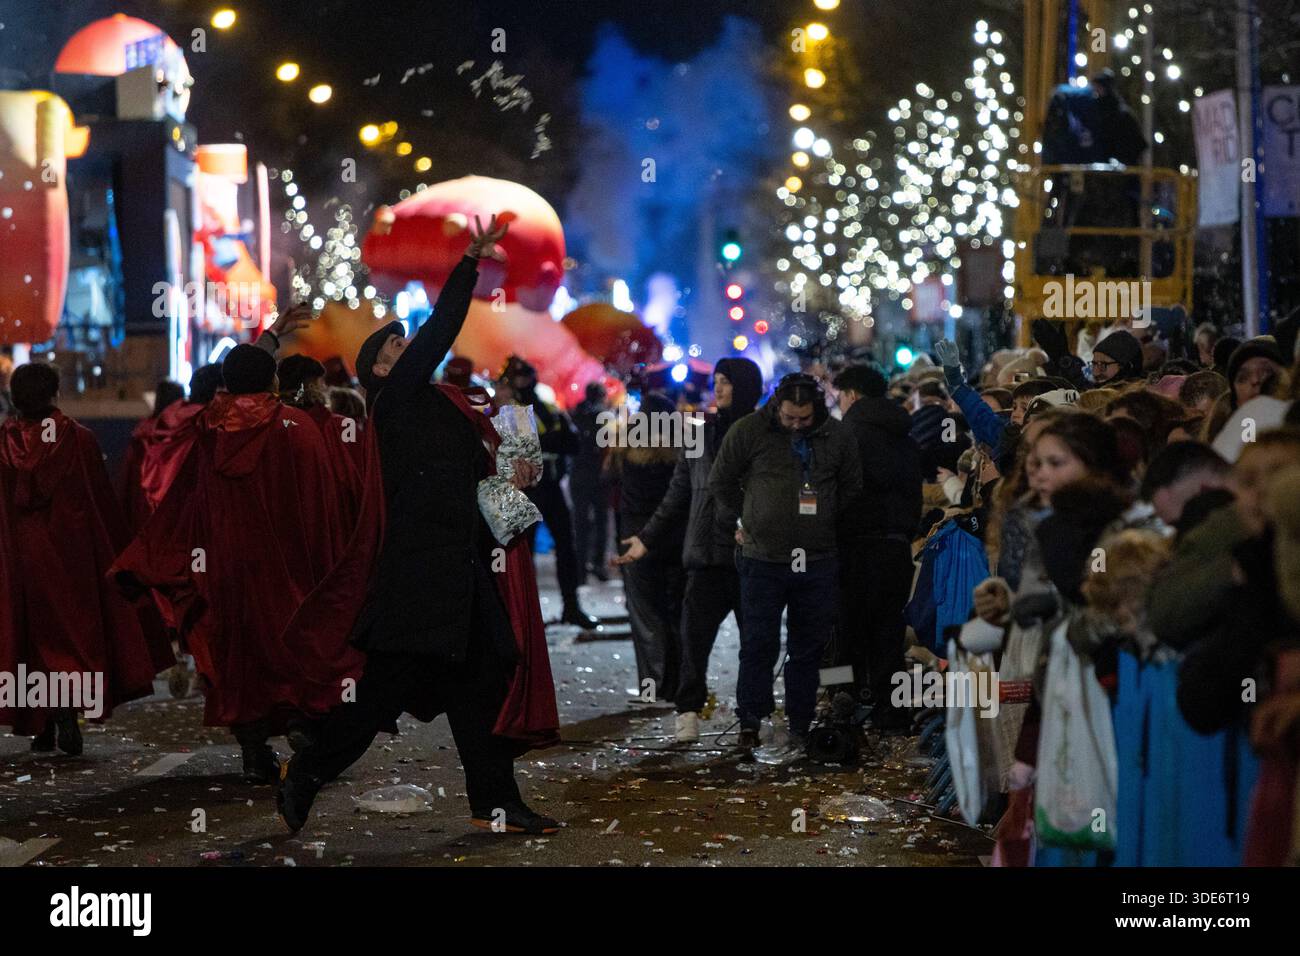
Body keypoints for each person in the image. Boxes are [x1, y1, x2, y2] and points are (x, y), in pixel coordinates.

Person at [278, 215, 559, 836]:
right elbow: (440, 330)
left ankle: (497, 802)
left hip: (462, 567)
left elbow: (475, 469)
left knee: (482, 684)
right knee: (380, 696)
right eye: (396, 349)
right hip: (418, 576)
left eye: (406, 345)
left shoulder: (441, 403)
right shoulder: (395, 399)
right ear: (379, 370)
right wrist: (467, 267)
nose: (410, 351)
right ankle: (309, 770)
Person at [0, 363, 172, 754]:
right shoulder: (78, 440)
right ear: (54, 394)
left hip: (19, 558)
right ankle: (65, 711)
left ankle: (41, 720)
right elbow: (98, 505)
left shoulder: (3, 445)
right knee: (70, 637)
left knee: (28, 636)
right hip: (69, 557)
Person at [709, 372, 862, 751]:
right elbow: (721, 481)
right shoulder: (748, 431)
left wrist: (823, 517)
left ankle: (800, 720)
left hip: (817, 559)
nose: (796, 425)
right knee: (758, 643)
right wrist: (741, 519)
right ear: (777, 406)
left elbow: (852, 487)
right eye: (790, 417)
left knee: (807, 646)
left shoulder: (838, 437)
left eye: (804, 419)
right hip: (763, 557)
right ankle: (750, 721)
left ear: (817, 411)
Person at [616, 358, 764, 742]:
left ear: (744, 386)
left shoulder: (766, 434)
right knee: (693, 640)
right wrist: (645, 539)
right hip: (706, 554)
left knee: (756, 643)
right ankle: (687, 711)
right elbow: (676, 495)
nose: (718, 388)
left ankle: (750, 719)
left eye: (726, 382)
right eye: (715, 381)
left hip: (754, 555)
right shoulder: (700, 434)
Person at [832, 364, 922, 727]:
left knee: (845, 632)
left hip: (854, 547)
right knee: (889, 632)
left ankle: (842, 704)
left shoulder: (846, 435)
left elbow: (840, 493)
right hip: (896, 547)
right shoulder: (904, 435)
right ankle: (891, 712)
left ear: (852, 394)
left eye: (840, 395)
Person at [501, 355, 599, 628]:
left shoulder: (546, 406)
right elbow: (520, 444)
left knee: (565, 546)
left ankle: (571, 606)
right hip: (525, 489)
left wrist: (546, 442)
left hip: (551, 484)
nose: (522, 381)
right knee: (524, 552)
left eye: (525, 376)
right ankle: (525, 614)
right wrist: (549, 442)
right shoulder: (508, 408)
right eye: (517, 377)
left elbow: (573, 442)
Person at [606, 391, 684, 704]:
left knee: (644, 615)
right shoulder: (681, 451)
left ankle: (652, 688)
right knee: (674, 611)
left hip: (633, 536)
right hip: (673, 536)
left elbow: (608, 485)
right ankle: (679, 686)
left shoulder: (623, 448)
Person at [119, 379, 186, 531]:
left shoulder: (142, 435)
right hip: (178, 514)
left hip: (144, 512)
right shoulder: (188, 435)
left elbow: (127, 481)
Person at [570, 380, 611, 583]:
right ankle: (595, 564)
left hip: (581, 474)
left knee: (581, 522)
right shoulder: (603, 417)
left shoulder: (577, 415)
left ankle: (581, 568)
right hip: (597, 475)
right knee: (599, 521)